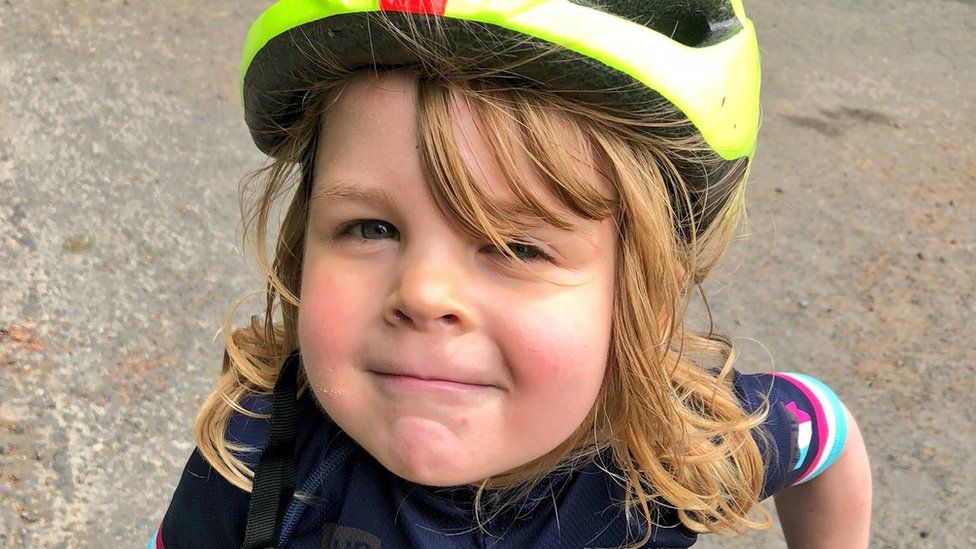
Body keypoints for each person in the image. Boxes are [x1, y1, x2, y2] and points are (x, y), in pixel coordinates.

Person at [152, 1, 871, 547]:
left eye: (517, 245)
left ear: (643, 296)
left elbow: (825, 433)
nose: (425, 294)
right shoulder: (251, 461)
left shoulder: (677, 458)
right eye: (371, 227)